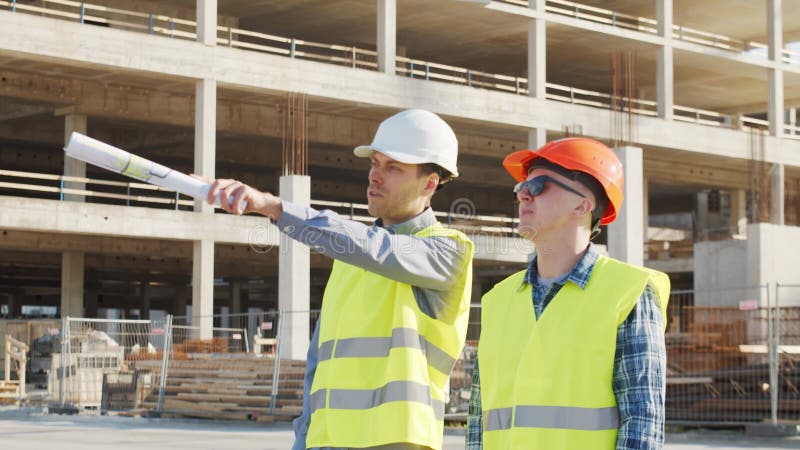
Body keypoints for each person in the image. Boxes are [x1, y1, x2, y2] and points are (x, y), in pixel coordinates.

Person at [206, 109, 474, 450]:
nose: (375, 176)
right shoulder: (349, 264)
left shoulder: (447, 251)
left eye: (393, 167)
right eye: (375, 163)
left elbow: (374, 247)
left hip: (394, 441)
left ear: (430, 183)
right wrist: (304, 440)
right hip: (327, 441)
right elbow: (319, 363)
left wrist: (274, 207)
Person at [466, 137, 670, 450]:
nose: (523, 195)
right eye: (521, 187)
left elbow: (642, 425)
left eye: (538, 186)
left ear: (583, 205)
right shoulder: (498, 300)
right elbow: (480, 421)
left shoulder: (628, 294)